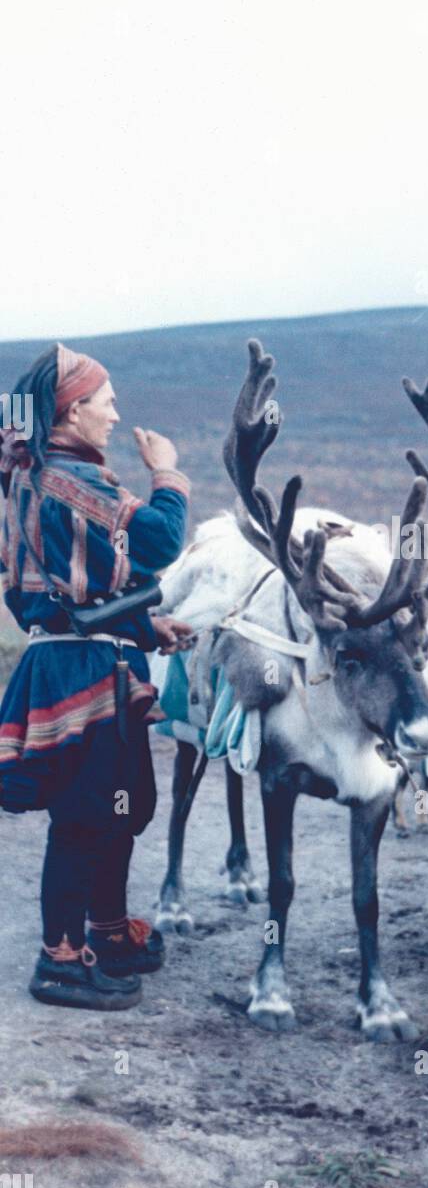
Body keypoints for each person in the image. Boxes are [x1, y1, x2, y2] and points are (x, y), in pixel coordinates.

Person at [0, 342, 194, 1010]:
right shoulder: (70, 479)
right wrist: (168, 475)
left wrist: (144, 629)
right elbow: (158, 543)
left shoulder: (34, 475)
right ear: (73, 409)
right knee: (87, 815)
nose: (115, 415)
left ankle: (107, 932)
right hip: (83, 671)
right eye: (106, 403)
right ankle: (59, 959)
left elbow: (74, 594)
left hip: (83, 657)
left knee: (121, 805)